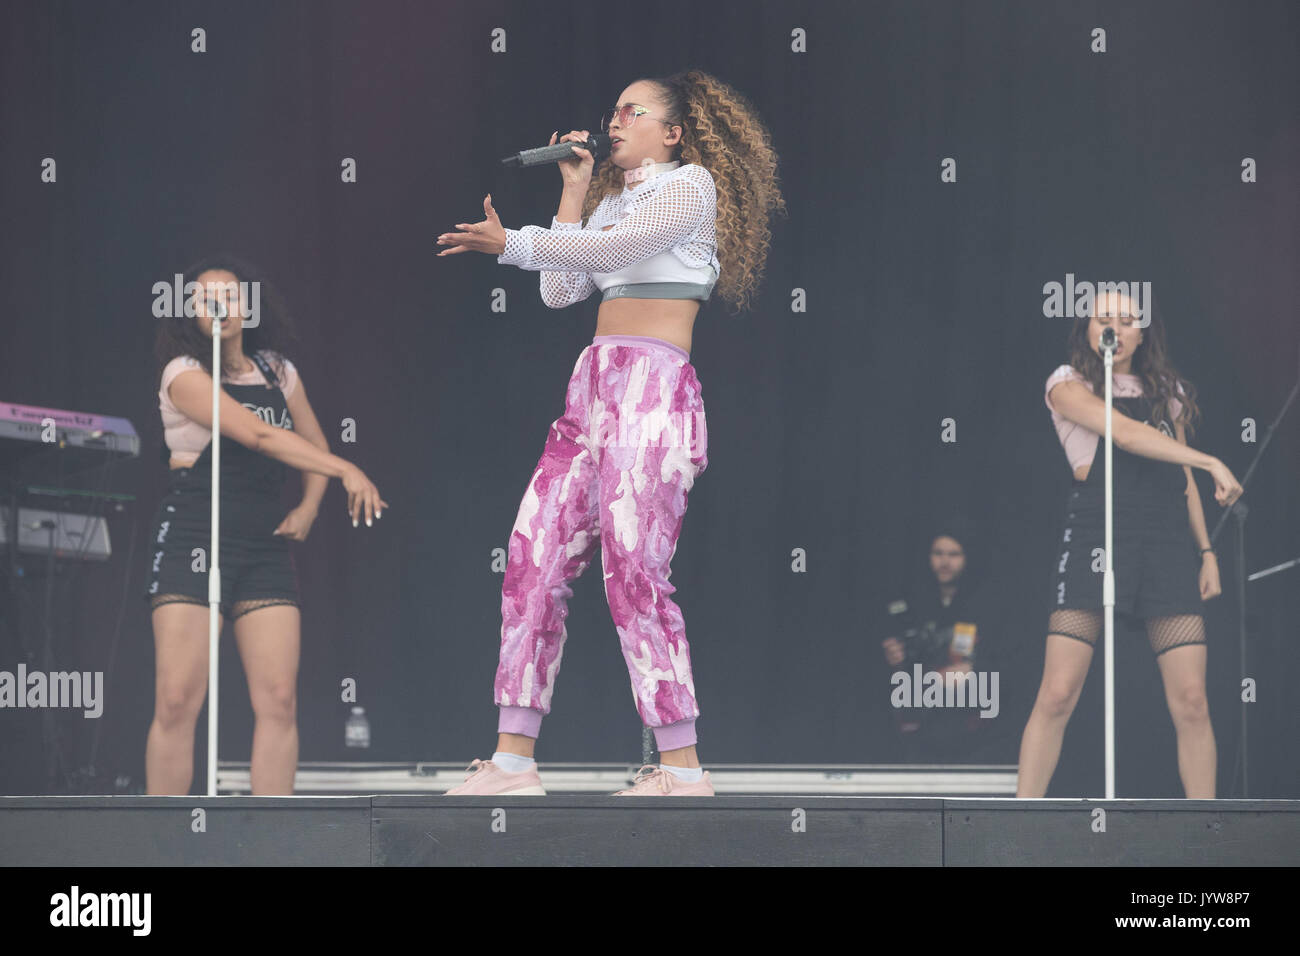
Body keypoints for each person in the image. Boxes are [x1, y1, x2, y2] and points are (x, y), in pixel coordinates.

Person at [436, 70, 786, 795]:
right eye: (612, 111)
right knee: (534, 557)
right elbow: (561, 289)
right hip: (590, 388)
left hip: (654, 389)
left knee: (634, 569)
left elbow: (600, 255)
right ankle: (512, 760)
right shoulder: (612, 202)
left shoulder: (691, 188)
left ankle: (682, 766)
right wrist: (572, 190)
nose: (615, 121)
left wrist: (512, 242)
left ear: (674, 130)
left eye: (634, 111)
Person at [145, 255, 387, 795]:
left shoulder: (277, 370)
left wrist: (306, 508)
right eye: (206, 299)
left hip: (262, 546)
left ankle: (270, 838)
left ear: (247, 307)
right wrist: (346, 469)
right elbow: (257, 435)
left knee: (278, 698)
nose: (219, 307)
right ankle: (159, 841)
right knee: (178, 698)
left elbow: (313, 446)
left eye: (230, 297)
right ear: (190, 312)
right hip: (194, 538)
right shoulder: (183, 373)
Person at [1016, 289, 1242, 798]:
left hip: (1163, 539)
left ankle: (1204, 830)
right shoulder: (1067, 383)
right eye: (1103, 318)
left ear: (1142, 332)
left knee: (1191, 700)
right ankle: (1020, 823)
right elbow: (1123, 434)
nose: (1114, 325)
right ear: (1088, 330)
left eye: (1125, 317)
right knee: (1057, 693)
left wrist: (1206, 552)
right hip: (1099, 530)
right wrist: (1214, 462)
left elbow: (1180, 474)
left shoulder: (1169, 390)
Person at [881, 527, 989, 763]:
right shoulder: (910, 600)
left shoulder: (988, 601)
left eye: (954, 554)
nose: (944, 562)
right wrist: (894, 654)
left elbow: (1010, 657)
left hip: (972, 716)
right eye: (938, 553)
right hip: (920, 714)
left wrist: (974, 669)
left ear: (968, 557)